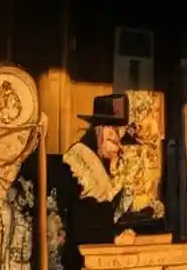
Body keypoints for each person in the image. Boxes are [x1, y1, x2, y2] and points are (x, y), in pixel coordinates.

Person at [52, 94, 138, 270]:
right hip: (78, 260)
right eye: (113, 132)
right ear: (99, 131)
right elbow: (78, 224)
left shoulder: (105, 165)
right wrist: (113, 237)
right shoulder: (78, 160)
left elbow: (106, 216)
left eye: (119, 135)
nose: (118, 144)